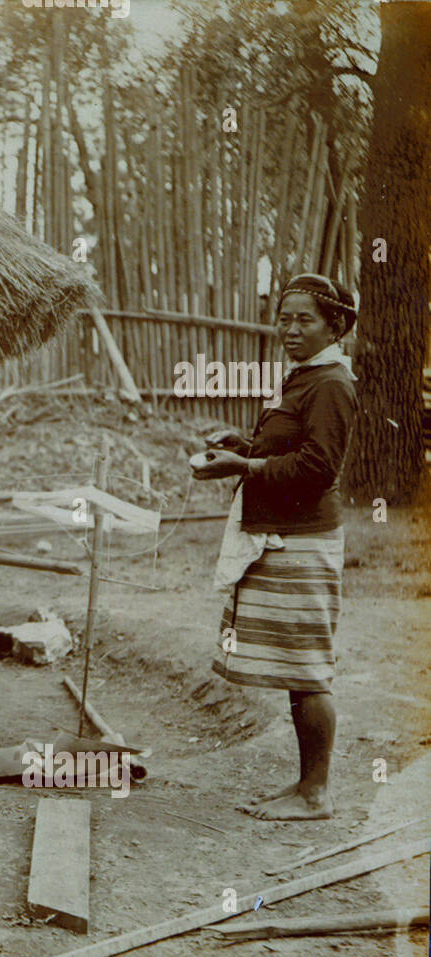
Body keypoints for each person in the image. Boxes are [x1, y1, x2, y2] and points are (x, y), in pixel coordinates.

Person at [191, 274, 359, 821]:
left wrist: (245, 466)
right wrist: (242, 446)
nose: (290, 328)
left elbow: (317, 467)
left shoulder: (331, 382)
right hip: (282, 540)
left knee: (308, 668)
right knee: (294, 665)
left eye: (304, 319)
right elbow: (291, 448)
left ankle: (316, 793)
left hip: (303, 542)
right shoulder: (303, 377)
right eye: (284, 318)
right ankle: (305, 785)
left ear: (335, 325)